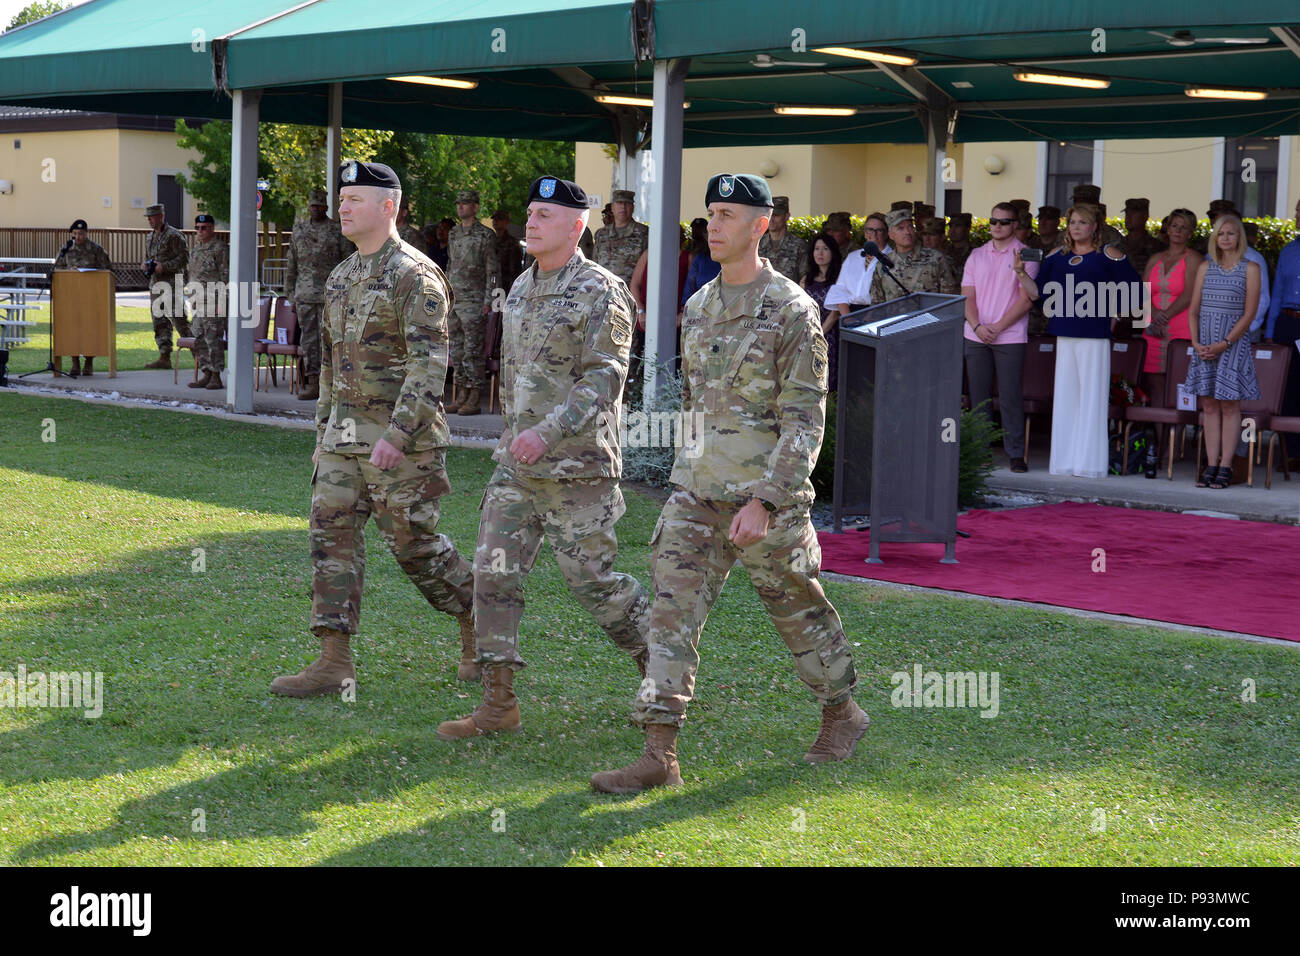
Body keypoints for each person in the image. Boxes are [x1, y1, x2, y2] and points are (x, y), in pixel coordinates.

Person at [590, 173, 865, 795]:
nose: (713, 225)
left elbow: (806, 417)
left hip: (767, 496)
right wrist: (686, 472)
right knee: (670, 616)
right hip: (697, 492)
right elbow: (696, 401)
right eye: (710, 213)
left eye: (728, 215)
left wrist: (766, 500)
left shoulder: (792, 310)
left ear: (760, 225)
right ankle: (657, 752)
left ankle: (841, 711)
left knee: (796, 610)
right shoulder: (699, 304)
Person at [437, 175, 650, 741]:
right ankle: (497, 703)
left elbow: (605, 376)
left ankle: (663, 671)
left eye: (545, 215)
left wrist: (549, 431)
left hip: (577, 469)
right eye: (530, 212)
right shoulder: (523, 287)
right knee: (492, 575)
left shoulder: (601, 290)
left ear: (577, 226)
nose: (530, 222)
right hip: (517, 466)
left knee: (594, 583)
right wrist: (515, 435)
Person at [270, 160, 476, 698]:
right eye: (341, 199)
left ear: (388, 207)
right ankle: (333, 659)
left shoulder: (415, 275)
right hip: (343, 435)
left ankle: (477, 615)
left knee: (413, 546)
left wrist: (398, 435)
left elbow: (430, 365)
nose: (343, 207)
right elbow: (332, 369)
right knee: (329, 534)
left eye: (355, 198)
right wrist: (322, 437)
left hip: (400, 441)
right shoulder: (341, 277)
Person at [1015, 203, 1140, 478]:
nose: (1076, 227)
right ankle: (1064, 461)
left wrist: (1115, 314)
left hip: (1094, 335)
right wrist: (1022, 273)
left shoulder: (1108, 254)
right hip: (1064, 332)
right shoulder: (1055, 257)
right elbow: (1038, 294)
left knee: (1092, 398)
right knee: (1066, 397)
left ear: (1095, 226)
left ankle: (1090, 463)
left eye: (1082, 222)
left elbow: (1133, 289)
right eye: (1072, 222)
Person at [1185, 214, 1261, 489]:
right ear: (1215, 238)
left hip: (1232, 345)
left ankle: (1226, 465)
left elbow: (1249, 313)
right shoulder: (1205, 268)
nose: (1226, 238)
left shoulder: (1250, 268)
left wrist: (1225, 343)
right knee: (1208, 405)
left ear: (1239, 237)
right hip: (1204, 345)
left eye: (1231, 233)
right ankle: (1211, 463)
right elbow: (1193, 310)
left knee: (1230, 405)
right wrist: (1195, 343)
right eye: (1221, 233)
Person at [963, 203, 1038, 472]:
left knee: (1010, 397)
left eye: (1004, 222)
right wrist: (978, 326)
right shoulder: (976, 255)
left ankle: (1016, 453)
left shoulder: (1027, 254)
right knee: (979, 397)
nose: (997, 225)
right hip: (976, 335)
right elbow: (967, 297)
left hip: (1010, 336)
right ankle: (980, 452)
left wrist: (996, 327)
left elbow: (1027, 299)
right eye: (993, 220)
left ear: (1015, 225)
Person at [284, 189, 352, 402]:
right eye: (312, 205)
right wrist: (290, 295)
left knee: (332, 341)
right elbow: (291, 265)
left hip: (330, 296)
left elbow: (348, 263)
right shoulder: (300, 230)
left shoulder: (336, 231)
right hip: (304, 295)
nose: (316, 209)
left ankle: (332, 384)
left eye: (319, 205)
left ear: (326, 207)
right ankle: (313, 382)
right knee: (309, 341)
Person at [446, 188, 500, 416]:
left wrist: (489, 300)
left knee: (473, 352)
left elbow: (493, 271)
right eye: (459, 203)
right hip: (455, 301)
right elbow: (450, 266)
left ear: (475, 207)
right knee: (457, 351)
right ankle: (462, 395)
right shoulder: (453, 234)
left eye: (465, 203)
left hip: (475, 301)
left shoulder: (486, 235)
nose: (461, 206)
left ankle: (475, 395)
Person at [1141, 208, 1203, 406]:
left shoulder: (1193, 258)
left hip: (1181, 327)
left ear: (1190, 233)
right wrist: (1154, 314)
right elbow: (1142, 292)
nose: (1177, 231)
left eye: (1183, 228)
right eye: (1174, 226)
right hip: (1152, 327)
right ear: (1167, 229)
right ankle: (1161, 437)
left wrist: (1164, 316)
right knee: (1155, 385)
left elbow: (1190, 293)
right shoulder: (1155, 259)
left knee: (1180, 384)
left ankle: (1178, 436)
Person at [52, 218, 111, 377]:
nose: (78, 237)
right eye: (76, 233)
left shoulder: (96, 249)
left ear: (86, 233)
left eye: (81, 234)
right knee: (73, 329)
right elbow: (57, 268)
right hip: (71, 297)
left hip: (92, 297)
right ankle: (75, 362)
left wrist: (90, 271)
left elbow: (107, 270)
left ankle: (89, 362)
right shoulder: (66, 249)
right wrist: (70, 270)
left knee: (90, 329)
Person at [1266, 197, 1300, 465]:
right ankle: (1291, 453)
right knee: (1287, 388)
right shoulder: (1288, 251)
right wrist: (1270, 330)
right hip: (1288, 323)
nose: (1298, 216)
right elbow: (1277, 292)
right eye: (1298, 211)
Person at [868, 208, 954, 302]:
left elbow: (949, 299)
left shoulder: (936, 259)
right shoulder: (883, 264)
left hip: (927, 316)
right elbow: (877, 304)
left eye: (910, 227)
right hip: (895, 316)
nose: (907, 232)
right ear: (891, 235)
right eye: (900, 228)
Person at [142, 203, 189, 370]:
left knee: (179, 320)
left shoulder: (174, 236)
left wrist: (165, 266)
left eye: (152, 217)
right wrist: (146, 265)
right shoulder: (150, 237)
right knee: (159, 320)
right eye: (148, 217)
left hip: (172, 284)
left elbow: (183, 259)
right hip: (156, 284)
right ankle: (164, 356)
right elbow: (150, 257)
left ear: (161, 216)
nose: (149, 220)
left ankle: (199, 356)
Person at [186, 213, 229, 391]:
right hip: (197, 301)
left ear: (211, 228)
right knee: (199, 338)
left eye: (203, 228)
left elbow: (226, 276)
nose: (200, 231)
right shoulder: (196, 249)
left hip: (213, 301)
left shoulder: (220, 248)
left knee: (213, 339)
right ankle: (206, 373)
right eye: (197, 228)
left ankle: (216, 375)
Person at [824, 212, 889, 328]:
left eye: (879, 230)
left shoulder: (890, 258)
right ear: (864, 233)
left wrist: (867, 319)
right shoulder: (853, 257)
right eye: (869, 229)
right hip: (850, 314)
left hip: (877, 315)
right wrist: (848, 318)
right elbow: (840, 289)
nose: (873, 234)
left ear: (887, 233)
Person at [801, 232, 844, 391]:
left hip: (830, 335)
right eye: (817, 249)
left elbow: (835, 314)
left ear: (832, 252)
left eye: (825, 249)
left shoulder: (840, 278)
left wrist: (818, 334)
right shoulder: (807, 279)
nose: (820, 253)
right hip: (808, 334)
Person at [758, 195, 809, 284]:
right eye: (769, 215)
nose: (771, 219)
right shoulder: (758, 243)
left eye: (776, 215)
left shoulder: (799, 245)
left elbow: (804, 279)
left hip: (788, 296)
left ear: (787, 216)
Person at [1242, 221, 1271, 344]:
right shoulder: (1210, 258)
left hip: (1246, 331)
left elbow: (1263, 298)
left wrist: (1249, 328)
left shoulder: (1254, 258)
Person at [1121, 198, 1162, 279]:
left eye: (1133, 213)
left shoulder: (1158, 247)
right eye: (1127, 213)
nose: (1128, 217)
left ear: (1145, 216)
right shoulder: (1116, 244)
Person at [920, 217, 961, 291]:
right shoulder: (917, 259)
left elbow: (950, 292)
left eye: (932, 234)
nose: (927, 238)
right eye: (924, 234)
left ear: (942, 237)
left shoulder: (948, 261)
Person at [491, 208, 523, 295]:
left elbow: (515, 272)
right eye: (494, 218)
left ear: (506, 221)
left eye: (499, 219)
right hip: (489, 289)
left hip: (505, 290)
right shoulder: (489, 241)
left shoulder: (513, 244)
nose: (495, 221)